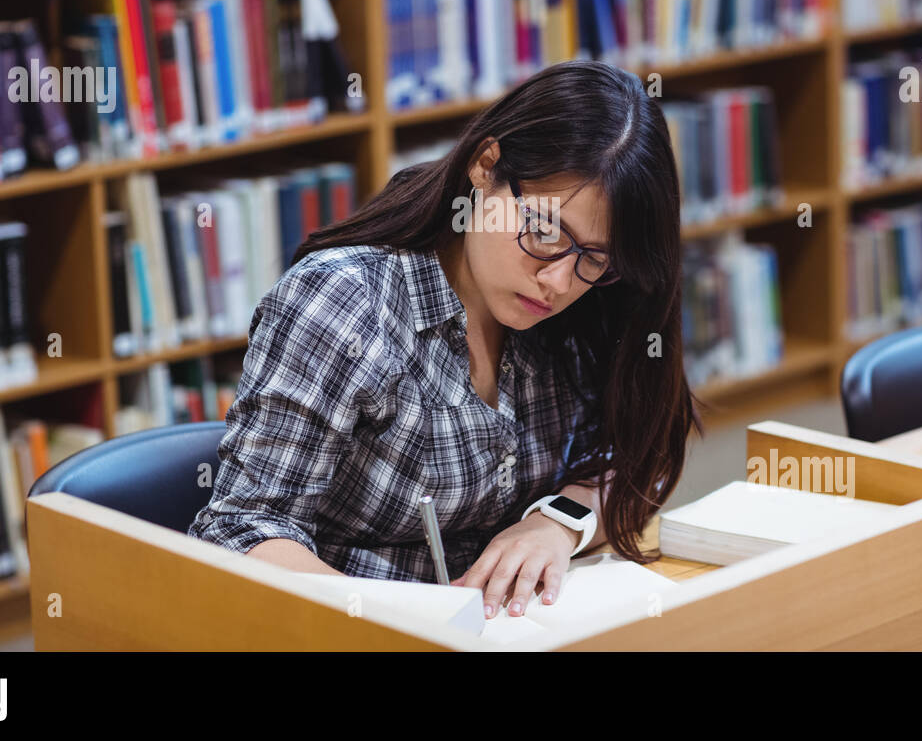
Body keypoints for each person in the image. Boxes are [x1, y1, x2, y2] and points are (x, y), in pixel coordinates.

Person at [189, 59, 702, 619]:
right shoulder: (346, 302)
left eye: (595, 259)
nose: (558, 281)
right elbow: (241, 530)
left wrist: (557, 523)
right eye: (546, 231)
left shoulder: (589, 302)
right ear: (486, 167)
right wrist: (391, 619)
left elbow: (635, 451)